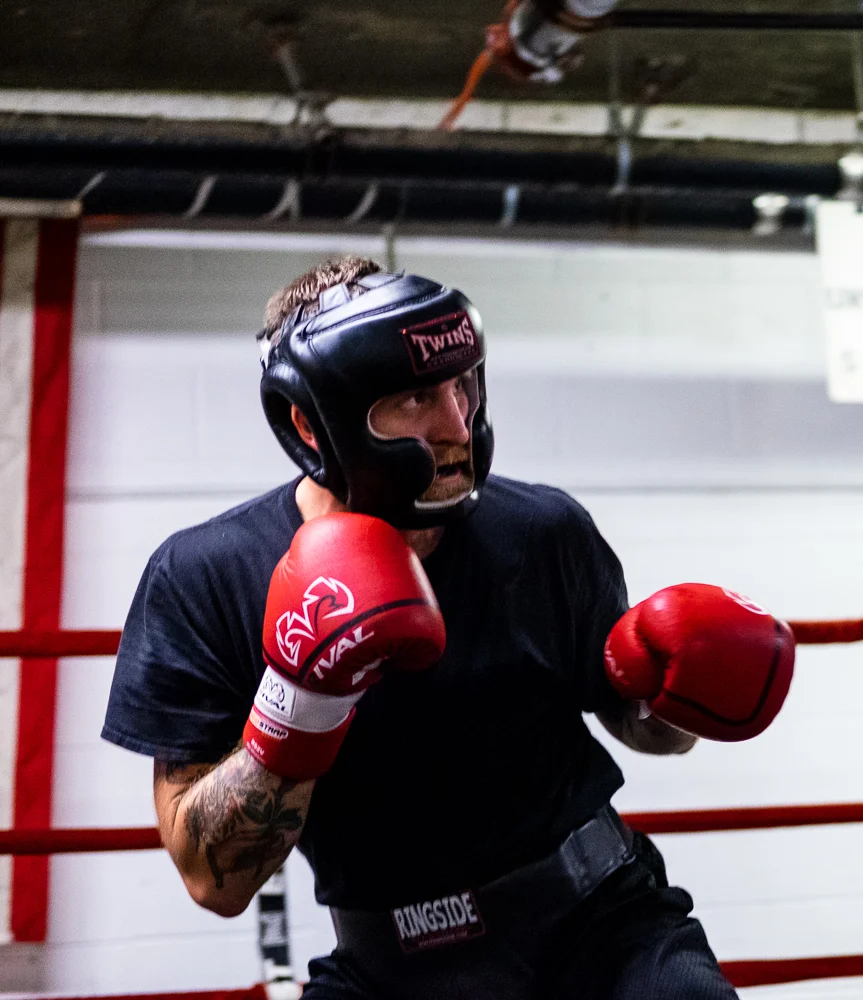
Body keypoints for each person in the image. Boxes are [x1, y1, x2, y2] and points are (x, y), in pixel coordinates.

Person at [101, 256, 796, 998]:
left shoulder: (543, 531)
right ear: (310, 421)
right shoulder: (205, 577)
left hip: (600, 926)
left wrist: (669, 693)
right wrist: (303, 699)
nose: (455, 424)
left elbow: (642, 726)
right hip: (390, 966)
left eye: (463, 385)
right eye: (412, 398)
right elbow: (214, 879)